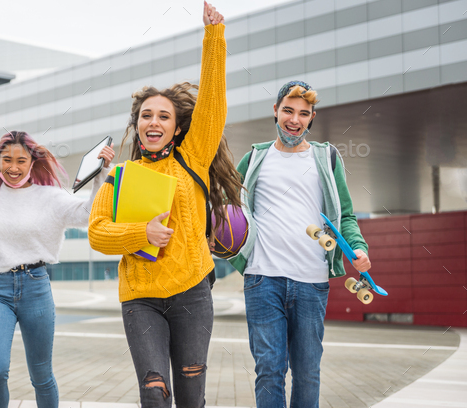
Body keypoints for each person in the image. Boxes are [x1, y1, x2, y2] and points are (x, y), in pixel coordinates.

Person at [88, 3, 242, 406]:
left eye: (163, 116)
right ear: (137, 124)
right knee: (154, 393)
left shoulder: (192, 159)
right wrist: (143, 233)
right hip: (139, 298)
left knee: (191, 395)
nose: (153, 122)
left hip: (192, 292)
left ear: (176, 128)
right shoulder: (119, 177)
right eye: (145, 116)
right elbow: (97, 234)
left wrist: (214, 37)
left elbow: (212, 105)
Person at [227, 81, 371, 407]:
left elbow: (345, 215)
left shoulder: (327, 157)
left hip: (312, 282)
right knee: (269, 369)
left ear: (312, 118)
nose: (295, 119)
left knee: (307, 373)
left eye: (303, 114)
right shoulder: (254, 159)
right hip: (263, 278)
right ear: (275, 112)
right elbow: (226, 206)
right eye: (288, 110)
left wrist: (358, 248)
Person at [0, 131, 114, 408]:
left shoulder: (50, 196)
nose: (14, 167)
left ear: (32, 162)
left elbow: (88, 214)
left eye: (21, 160)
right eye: (7, 160)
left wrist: (101, 175)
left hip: (35, 287)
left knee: (41, 375)